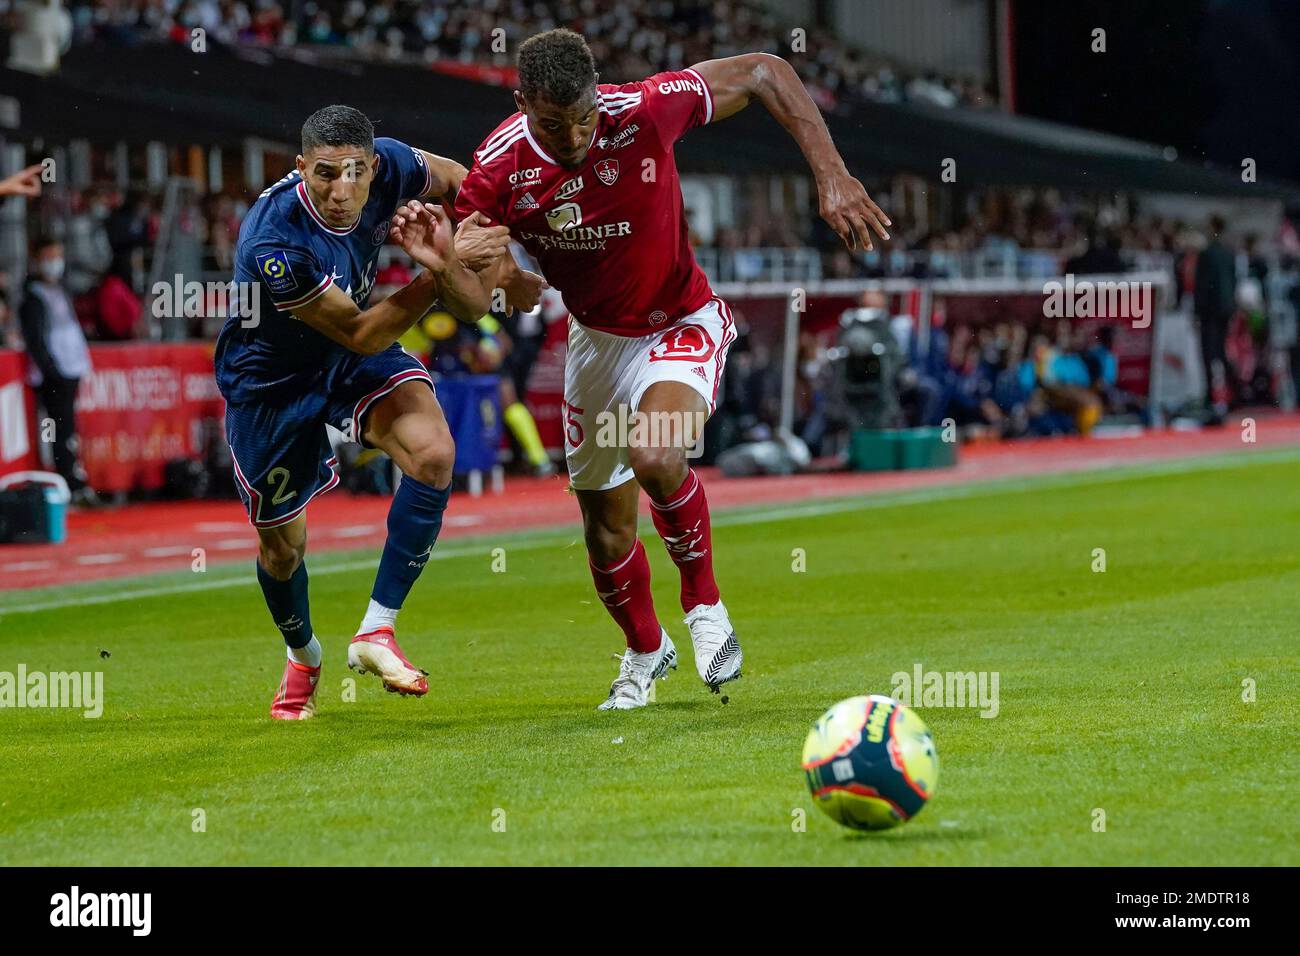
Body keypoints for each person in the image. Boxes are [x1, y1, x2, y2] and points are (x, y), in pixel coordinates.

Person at [455, 29, 890, 710]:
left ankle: (705, 604)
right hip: (595, 344)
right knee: (606, 531)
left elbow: (766, 70)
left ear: (600, 94)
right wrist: (480, 270)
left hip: (680, 321)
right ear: (522, 104)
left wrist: (831, 176)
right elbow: (475, 288)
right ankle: (645, 650)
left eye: (583, 116)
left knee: (656, 453)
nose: (571, 135)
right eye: (552, 122)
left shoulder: (645, 108)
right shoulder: (498, 166)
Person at [213, 104, 537, 720]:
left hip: (349, 361)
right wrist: (438, 268)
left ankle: (376, 631)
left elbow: (466, 182)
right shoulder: (274, 242)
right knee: (282, 549)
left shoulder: (393, 163)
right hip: (273, 383)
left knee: (434, 454)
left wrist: (499, 261)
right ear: (302, 168)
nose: (343, 191)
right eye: (327, 175)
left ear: (373, 165)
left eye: (356, 173)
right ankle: (304, 655)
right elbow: (361, 331)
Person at [18, 237, 98, 507]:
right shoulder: (34, 298)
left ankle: (72, 478)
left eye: (58, 256)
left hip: (70, 369)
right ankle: (64, 482)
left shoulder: (59, 291)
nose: (56, 263)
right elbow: (36, 339)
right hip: (55, 374)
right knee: (57, 430)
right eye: (50, 257)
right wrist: (51, 370)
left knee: (68, 429)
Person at [1194, 215, 1237, 422]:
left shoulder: (1207, 254)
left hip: (1210, 312)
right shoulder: (1229, 253)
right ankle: (1234, 392)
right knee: (1221, 353)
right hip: (1225, 310)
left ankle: (1211, 397)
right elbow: (1233, 281)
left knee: (1209, 354)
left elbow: (1202, 285)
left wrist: (1197, 311)